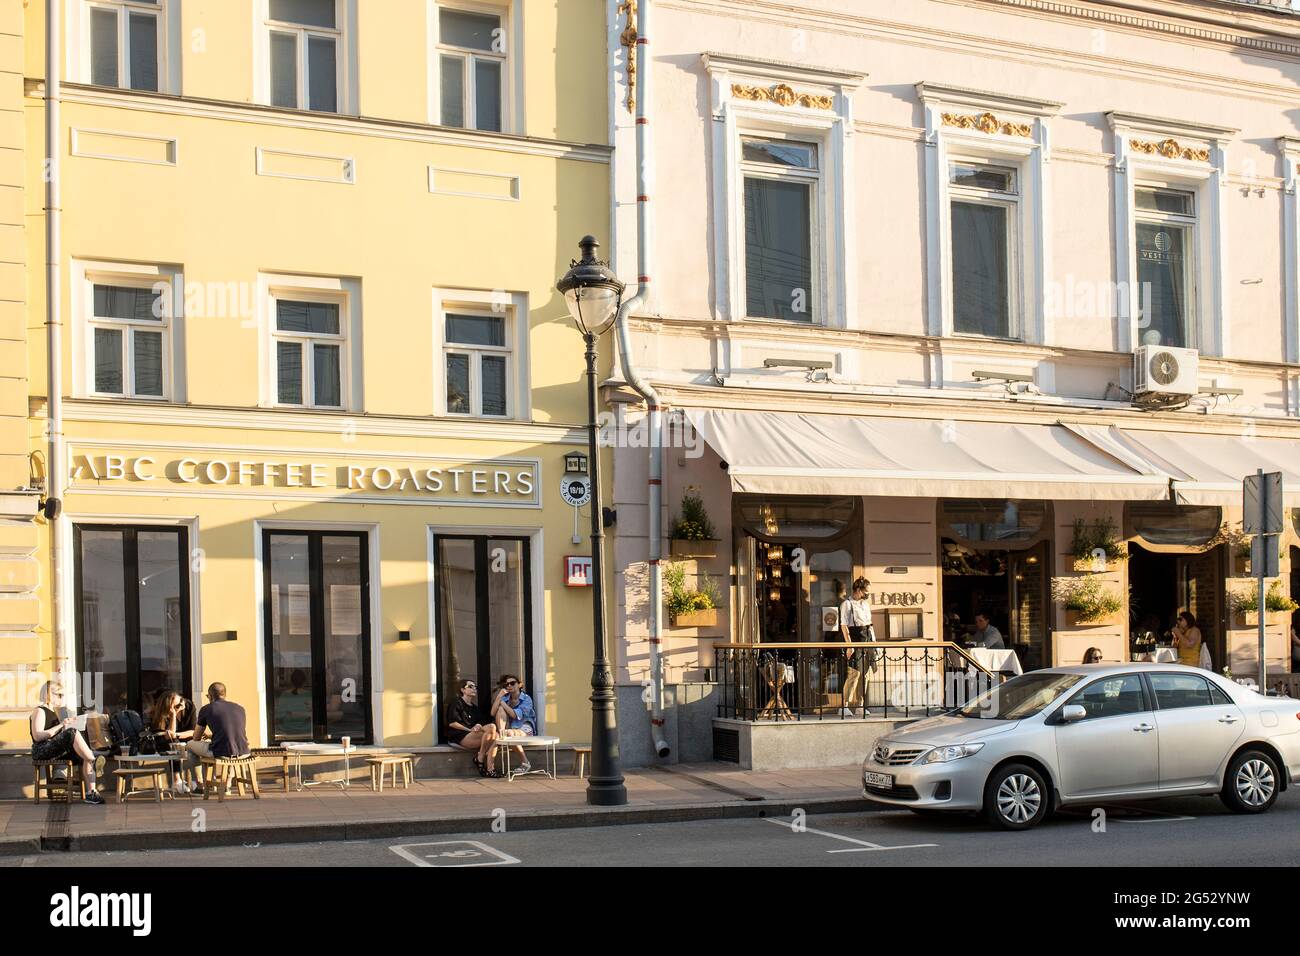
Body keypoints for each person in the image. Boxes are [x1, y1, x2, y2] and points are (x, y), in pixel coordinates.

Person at [30, 681, 105, 804]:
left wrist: (65, 726)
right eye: (59, 694)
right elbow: (37, 736)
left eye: (62, 695)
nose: (62, 697)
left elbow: (55, 734)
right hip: (42, 750)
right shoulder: (40, 711)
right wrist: (61, 725)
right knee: (72, 733)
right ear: (49, 694)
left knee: (83, 755)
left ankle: (92, 792)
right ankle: (93, 758)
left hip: (54, 749)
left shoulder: (53, 711)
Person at [187, 682, 249, 794]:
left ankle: (200, 786)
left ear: (210, 696)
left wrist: (206, 736)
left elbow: (196, 737)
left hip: (221, 752)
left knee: (190, 746)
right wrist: (212, 736)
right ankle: (227, 785)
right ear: (225, 694)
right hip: (244, 751)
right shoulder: (240, 708)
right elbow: (231, 733)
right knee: (231, 750)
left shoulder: (207, 709)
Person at [447, 679, 501, 777]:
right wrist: (469, 729)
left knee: (495, 733)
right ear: (463, 690)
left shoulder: (474, 708)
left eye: (475, 687)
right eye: (470, 686)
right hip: (460, 735)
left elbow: (481, 721)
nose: (474, 689)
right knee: (495, 736)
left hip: (473, 734)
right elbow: (452, 723)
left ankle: (485, 764)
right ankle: (485, 763)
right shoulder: (456, 703)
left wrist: (478, 725)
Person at [149, 689, 199, 793]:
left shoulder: (189, 706)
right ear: (168, 708)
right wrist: (173, 716)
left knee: (192, 745)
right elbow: (169, 735)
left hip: (186, 738)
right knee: (174, 743)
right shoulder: (163, 714)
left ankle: (197, 782)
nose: (181, 705)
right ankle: (177, 780)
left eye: (181, 702)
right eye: (176, 706)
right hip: (166, 741)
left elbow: (194, 732)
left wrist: (177, 735)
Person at [838, 577, 874, 717]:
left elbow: (870, 624)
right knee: (854, 673)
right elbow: (844, 625)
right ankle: (844, 705)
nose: (867, 594)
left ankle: (860, 705)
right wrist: (849, 646)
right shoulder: (847, 604)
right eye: (866, 591)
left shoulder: (865, 604)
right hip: (855, 637)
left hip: (867, 638)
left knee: (865, 674)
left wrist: (874, 643)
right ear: (858, 590)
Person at [492, 674, 538, 772]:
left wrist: (502, 703)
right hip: (509, 726)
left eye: (512, 683)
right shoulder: (505, 697)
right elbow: (492, 713)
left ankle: (525, 762)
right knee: (500, 709)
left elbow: (515, 716)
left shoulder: (526, 699)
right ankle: (502, 733)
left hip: (524, 727)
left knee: (510, 734)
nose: (509, 686)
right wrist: (499, 697)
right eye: (507, 684)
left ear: (520, 684)